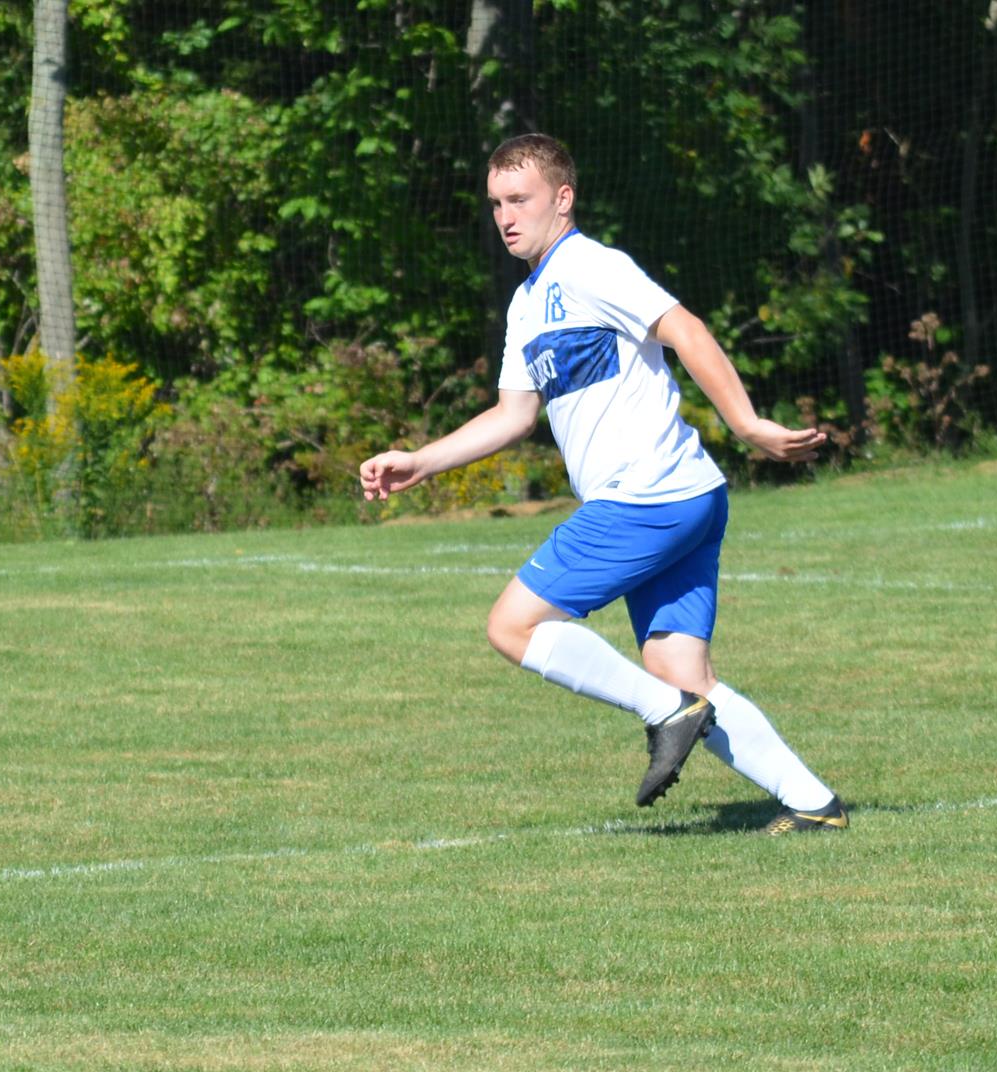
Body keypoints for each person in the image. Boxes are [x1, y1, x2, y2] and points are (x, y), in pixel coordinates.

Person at [359, 133, 847, 835]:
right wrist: (423, 460)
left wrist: (746, 424)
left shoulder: (590, 265)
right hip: (685, 494)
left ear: (563, 198)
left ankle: (665, 713)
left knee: (512, 625)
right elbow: (514, 414)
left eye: (519, 199)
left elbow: (686, 329)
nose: (505, 217)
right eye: (495, 203)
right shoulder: (526, 303)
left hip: (645, 495)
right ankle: (814, 804)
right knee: (685, 674)